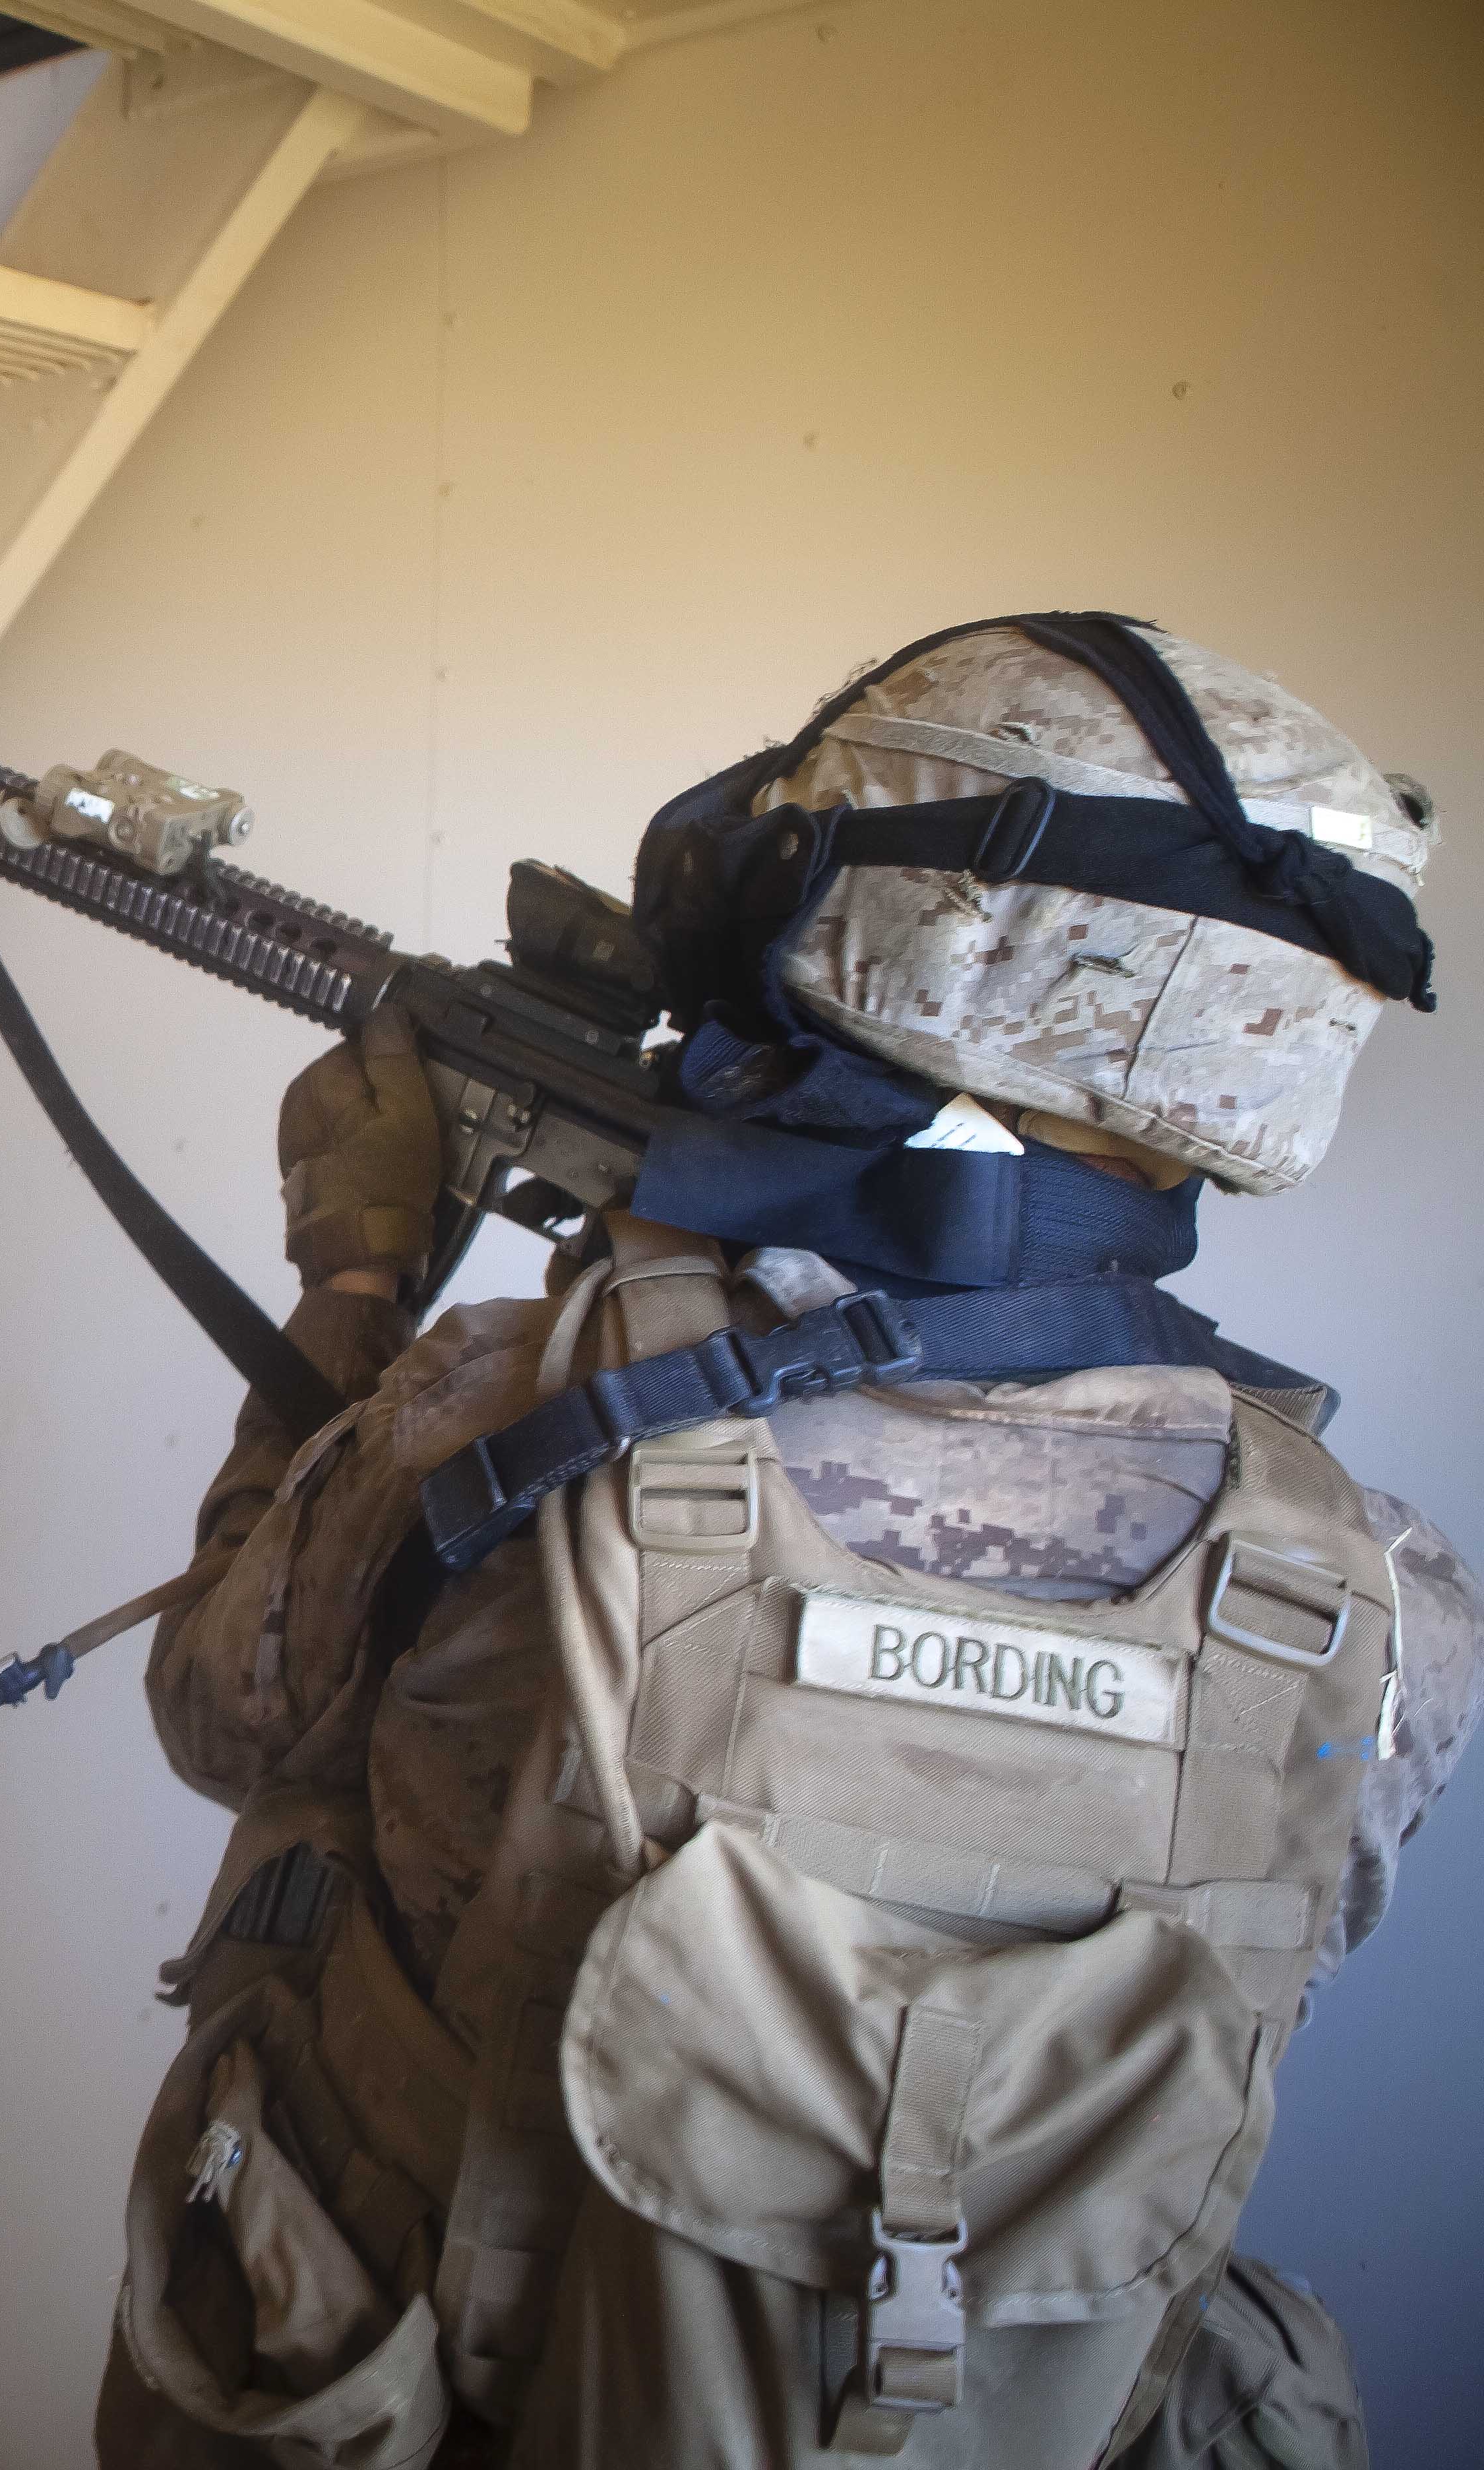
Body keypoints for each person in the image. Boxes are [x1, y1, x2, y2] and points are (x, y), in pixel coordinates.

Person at [100, 616, 1464, 2469]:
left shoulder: (513, 1413)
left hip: (419, 2387)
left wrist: (356, 1268)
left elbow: (217, 1717)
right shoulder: (1380, 1599)